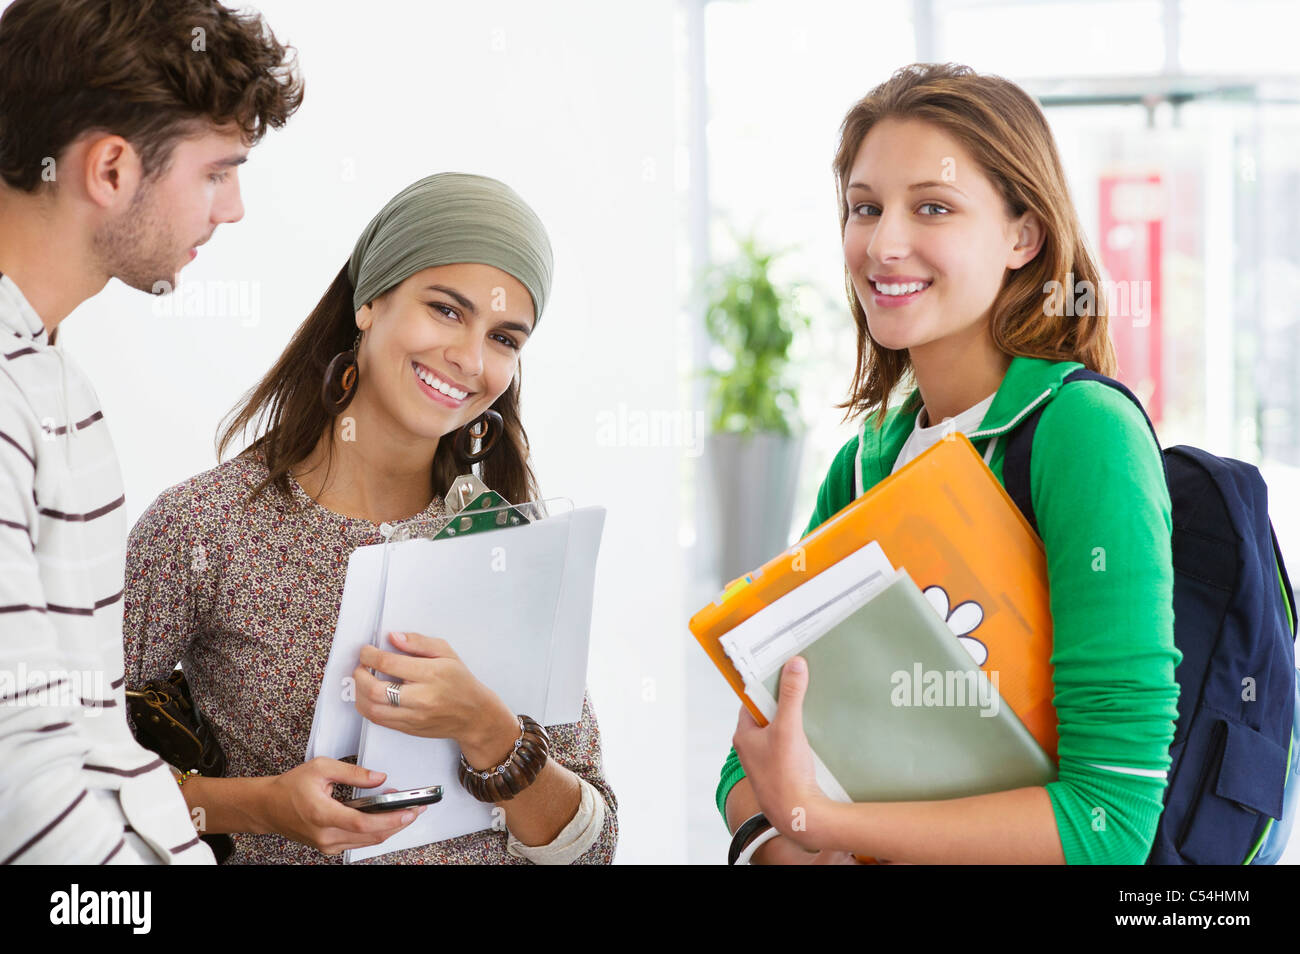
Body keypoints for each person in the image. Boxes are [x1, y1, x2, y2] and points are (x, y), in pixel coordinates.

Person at [719, 63, 1181, 865]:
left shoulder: (1084, 434)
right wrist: (777, 840)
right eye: (865, 208)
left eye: (932, 207)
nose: (883, 243)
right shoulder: (866, 464)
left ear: (1022, 235)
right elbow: (755, 746)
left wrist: (824, 827)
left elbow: (1112, 820)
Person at [121, 172, 618, 864]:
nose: (471, 360)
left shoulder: (507, 546)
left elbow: (593, 847)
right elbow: (61, 776)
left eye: (505, 339)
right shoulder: (201, 529)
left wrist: (489, 730)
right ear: (370, 302)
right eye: (446, 310)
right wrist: (260, 804)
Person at [0, 0, 301, 864]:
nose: (234, 207)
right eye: (216, 172)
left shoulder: (57, 384)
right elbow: (22, 787)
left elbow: (88, 741)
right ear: (110, 170)